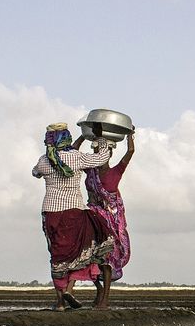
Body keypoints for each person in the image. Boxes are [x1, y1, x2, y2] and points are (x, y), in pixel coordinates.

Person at [32, 123, 115, 311]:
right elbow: (103, 157)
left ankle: (60, 302)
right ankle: (70, 288)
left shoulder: (44, 160)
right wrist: (100, 137)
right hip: (73, 212)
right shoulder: (76, 158)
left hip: (50, 213)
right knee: (79, 251)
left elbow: (35, 172)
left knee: (57, 255)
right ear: (67, 139)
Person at [82, 132, 135, 309]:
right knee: (89, 258)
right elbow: (73, 152)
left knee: (107, 261)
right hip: (92, 218)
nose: (99, 156)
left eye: (102, 152)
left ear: (109, 154)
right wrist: (84, 137)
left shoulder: (115, 171)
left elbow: (131, 151)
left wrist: (129, 135)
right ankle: (99, 291)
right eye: (95, 152)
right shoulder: (90, 170)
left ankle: (105, 299)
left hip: (111, 223)